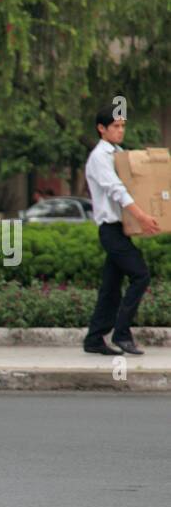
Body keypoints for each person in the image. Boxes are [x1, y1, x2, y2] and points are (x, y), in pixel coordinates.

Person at [83, 107, 160, 356]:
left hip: (121, 229)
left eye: (122, 126)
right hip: (110, 230)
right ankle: (122, 333)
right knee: (141, 275)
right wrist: (143, 217)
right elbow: (118, 190)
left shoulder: (119, 154)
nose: (120, 131)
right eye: (115, 126)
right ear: (101, 129)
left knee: (110, 287)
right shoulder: (100, 157)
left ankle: (94, 339)